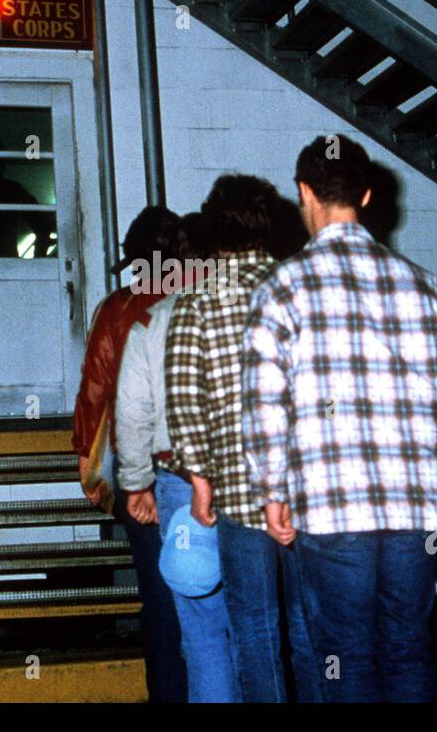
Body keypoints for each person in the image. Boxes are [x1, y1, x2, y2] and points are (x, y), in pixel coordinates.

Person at [242, 135, 437, 703]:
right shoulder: (430, 289)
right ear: (367, 195)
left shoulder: (281, 289)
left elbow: (264, 403)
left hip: (331, 502)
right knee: (408, 647)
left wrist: (271, 490)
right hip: (416, 500)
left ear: (304, 193)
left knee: (345, 656)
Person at [164, 176, 319, 703]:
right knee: (310, 629)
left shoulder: (197, 298)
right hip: (307, 492)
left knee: (255, 630)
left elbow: (185, 400)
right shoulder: (300, 286)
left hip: (237, 492)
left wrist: (200, 482)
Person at [117, 213, 242, 703]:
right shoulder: (257, 313)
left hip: (178, 483)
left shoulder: (152, 319)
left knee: (202, 629)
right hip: (252, 480)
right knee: (255, 625)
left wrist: (135, 482)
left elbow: (131, 408)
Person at [71, 206, 187, 703]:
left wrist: (89, 465)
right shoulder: (209, 300)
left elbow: (95, 392)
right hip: (212, 469)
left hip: (143, 475)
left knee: (160, 600)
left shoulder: (118, 309)